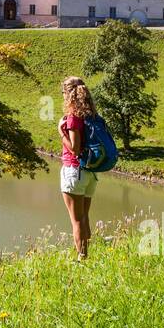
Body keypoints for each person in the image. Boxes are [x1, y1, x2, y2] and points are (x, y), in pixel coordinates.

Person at [58, 76, 97, 259]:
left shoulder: (73, 116)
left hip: (74, 171)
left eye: (63, 92)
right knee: (84, 217)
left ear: (69, 93)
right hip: (90, 173)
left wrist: (61, 132)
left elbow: (74, 148)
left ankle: (82, 259)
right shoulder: (90, 114)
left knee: (76, 220)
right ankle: (86, 255)